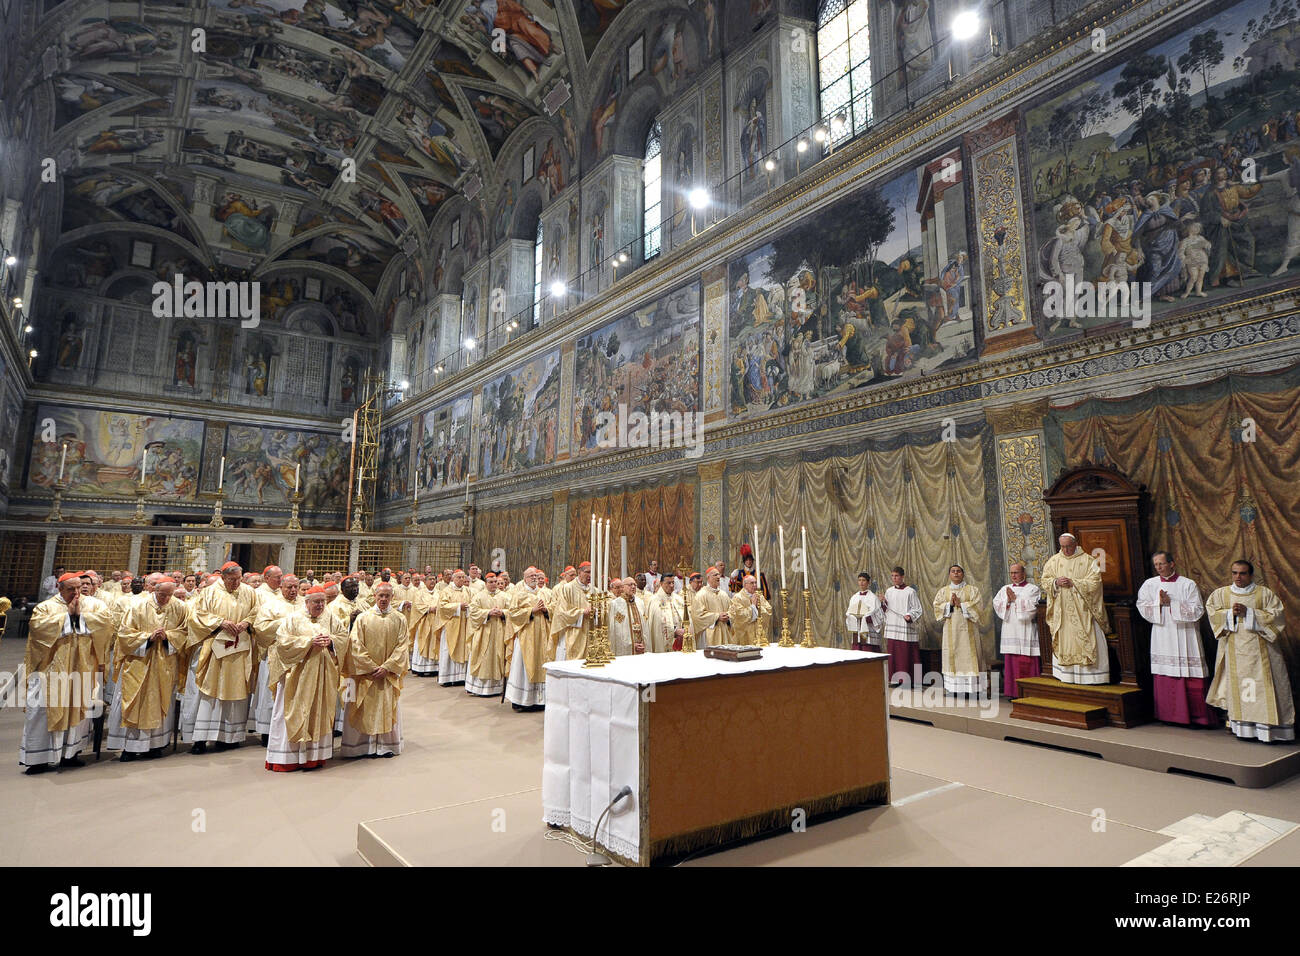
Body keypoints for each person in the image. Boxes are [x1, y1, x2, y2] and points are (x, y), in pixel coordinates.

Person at [21, 573, 114, 773]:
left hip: (81, 669)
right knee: (42, 710)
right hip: (49, 671)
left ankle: (70, 754)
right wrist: (67, 617)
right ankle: (37, 758)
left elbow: (106, 626)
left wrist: (80, 616)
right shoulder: (45, 607)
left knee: (77, 709)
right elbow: (37, 629)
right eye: (71, 589)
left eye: (79, 588)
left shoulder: (94, 605)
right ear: (59, 587)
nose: (76, 592)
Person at [1205, 560, 1295, 742]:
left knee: (1264, 689)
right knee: (1240, 688)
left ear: (1251, 575)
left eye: (1243, 573)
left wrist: (1250, 613)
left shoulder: (1265, 594)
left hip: (1263, 653)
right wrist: (1230, 614)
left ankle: (1267, 731)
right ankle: (1243, 729)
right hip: (1234, 651)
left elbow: (1277, 617)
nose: (1238, 577)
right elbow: (1213, 613)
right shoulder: (1221, 594)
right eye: (1235, 573)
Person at [265, 586, 349, 771]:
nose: (320, 605)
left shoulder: (331, 618)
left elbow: (343, 637)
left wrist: (331, 641)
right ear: (307, 602)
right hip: (297, 679)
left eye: (322, 602)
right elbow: (282, 643)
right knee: (291, 712)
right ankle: (287, 759)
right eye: (316, 602)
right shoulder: (293, 619)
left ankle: (314, 757)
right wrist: (308, 642)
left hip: (322, 677)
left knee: (318, 711)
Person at [108, 579, 187, 761]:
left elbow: (184, 633)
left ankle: (156, 745)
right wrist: (148, 638)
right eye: (162, 595)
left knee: (161, 700)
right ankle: (130, 747)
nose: (166, 599)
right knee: (136, 701)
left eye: (169, 595)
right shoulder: (138, 606)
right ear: (154, 590)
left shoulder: (179, 607)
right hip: (139, 663)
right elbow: (124, 634)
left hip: (164, 663)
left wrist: (168, 636)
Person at [185, 561, 258, 753]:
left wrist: (246, 623)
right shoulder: (209, 592)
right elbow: (196, 616)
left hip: (239, 649)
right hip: (216, 650)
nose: (236, 583)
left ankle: (229, 737)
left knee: (236, 692)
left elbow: (257, 613)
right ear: (223, 577)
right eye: (232, 580)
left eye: (239, 579)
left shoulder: (249, 592)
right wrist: (220, 622)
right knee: (210, 693)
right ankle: (201, 739)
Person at [1137, 552, 1215, 726]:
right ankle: (1168, 715)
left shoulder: (1187, 584)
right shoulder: (1149, 584)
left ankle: (1197, 717)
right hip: (1162, 634)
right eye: (1156, 565)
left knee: (1190, 672)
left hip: (1185, 634)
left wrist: (1170, 603)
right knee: (1165, 671)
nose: (1158, 568)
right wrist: (1158, 604)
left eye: (1162, 564)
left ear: (1172, 564)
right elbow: (1142, 606)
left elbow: (1197, 610)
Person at [340, 582, 409, 757]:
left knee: (387, 707)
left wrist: (387, 667)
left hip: (387, 675)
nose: (384, 599)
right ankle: (362, 747)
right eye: (381, 596)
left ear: (392, 597)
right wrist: (371, 667)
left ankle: (386, 746)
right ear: (375, 597)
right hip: (366, 675)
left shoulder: (399, 619)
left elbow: (403, 646)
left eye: (387, 596)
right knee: (363, 707)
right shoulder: (364, 618)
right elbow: (354, 644)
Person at [1040, 533, 1109, 684]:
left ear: (1075, 544)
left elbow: (1095, 583)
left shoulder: (1088, 560)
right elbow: (1045, 581)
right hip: (1062, 611)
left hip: (1083, 611)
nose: (1065, 550)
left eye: (1068, 546)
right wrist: (1055, 582)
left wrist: (1074, 583)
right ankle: (1066, 675)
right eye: (1062, 547)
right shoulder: (1054, 561)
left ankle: (1091, 677)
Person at [251, 574, 304, 745]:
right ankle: (267, 731)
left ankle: (294, 728)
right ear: (281, 586)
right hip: (276, 655)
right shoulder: (271, 605)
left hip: (301, 656)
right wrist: (288, 622)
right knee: (272, 693)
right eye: (289, 587)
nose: (293, 590)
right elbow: (261, 628)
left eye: (296, 586)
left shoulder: (305, 603)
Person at [933, 565, 987, 696]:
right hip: (951, 632)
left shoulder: (972, 590)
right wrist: (949, 605)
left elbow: (978, 606)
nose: (956, 573)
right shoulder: (943, 591)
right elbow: (936, 607)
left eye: (958, 571)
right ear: (949, 574)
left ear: (963, 574)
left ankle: (972, 690)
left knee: (970, 657)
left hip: (969, 633)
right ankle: (953, 689)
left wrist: (961, 605)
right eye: (953, 571)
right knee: (952, 657)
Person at [992, 563, 1041, 697]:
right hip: (1010, 629)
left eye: (1016, 572)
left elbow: (1033, 608)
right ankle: (1013, 693)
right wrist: (1007, 600)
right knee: (1012, 662)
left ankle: (1031, 693)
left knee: (1027, 660)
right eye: (1011, 573)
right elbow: (997, 604)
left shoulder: (1033, 589)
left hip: (1026, 628)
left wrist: (1016, 600)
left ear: (1023, 574)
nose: (1013, 575)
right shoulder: (1005, 589)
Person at [506, 567, 550, 709]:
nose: (534, 578)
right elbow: (513, 614)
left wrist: (546, 610)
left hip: (543, 636)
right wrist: (531, 611)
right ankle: (522, 701)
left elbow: (554, 609)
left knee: (541, 664)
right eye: (531, 576)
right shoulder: (519, 594)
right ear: (524, 578)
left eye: (536, 575)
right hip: (526, 636)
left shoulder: (544, 593)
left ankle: (540, 701)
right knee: (523, 667)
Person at [466, 572, 509, 696]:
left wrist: (503, 613)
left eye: (495, 582)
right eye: (491, 582)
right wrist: (488, 613)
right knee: (482, 656)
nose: (494, 584)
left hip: (499, 632)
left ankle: (497, 688)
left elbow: (512, 611)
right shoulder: (479, 596)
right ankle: (480, 688)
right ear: (486, 583)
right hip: (483, 633)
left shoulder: (505, 596)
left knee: (498, 656)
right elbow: (473, 612)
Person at [882, 566, 924, 685]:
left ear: (902, 577)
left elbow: (917, 609)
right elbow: (886, 610)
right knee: (894, 654)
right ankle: (895, 679)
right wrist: (883, 603)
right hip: (892, 627)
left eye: (896, 576)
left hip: (905, 627)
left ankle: (909, 680)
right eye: (892, 576)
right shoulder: (889, 591)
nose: (894, 578)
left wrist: (909, 616)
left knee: (906, 655)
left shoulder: (910, 591)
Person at [548, 561, 593, 661]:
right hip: (571, 635)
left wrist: (598, 612)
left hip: (590, 635)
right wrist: (581, 613)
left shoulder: (595, 590)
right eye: (587, 572)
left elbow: (603, 612)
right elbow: (560, 613)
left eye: (592, 572)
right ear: (579, 572)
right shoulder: (567, 588)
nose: (590, 575)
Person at [437, 569, 473, 685]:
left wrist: (469, 607)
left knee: (463, 649)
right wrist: (458, 607)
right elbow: (442, 607)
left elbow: (473, 604)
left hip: (464, 625)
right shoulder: (446, 591)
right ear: (453, 578)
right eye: (459, 577)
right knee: (447, 650)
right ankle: (446, 678)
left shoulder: (468, 591)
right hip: (451, 626)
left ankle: (461, 677)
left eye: (463, 577)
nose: (462, 580)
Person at [645, 572, 685, 653]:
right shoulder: (654, 601)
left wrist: (685, 629)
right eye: (668, 583)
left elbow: (686, 618)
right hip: (663, 643)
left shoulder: (679, 599)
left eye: (673, 583)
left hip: (681, 641)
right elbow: (657, 624)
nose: (671, 585)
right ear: (661, 583)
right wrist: (674, 631)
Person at [692, 567, 732, 647]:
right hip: (709, 634)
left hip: (724, 631)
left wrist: (728, 616)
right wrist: (717, 617)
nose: (718, 577)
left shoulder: (724, 594)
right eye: (715, 575)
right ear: (708, 577)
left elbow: (732, 610)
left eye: (719, 575)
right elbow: (697, 616)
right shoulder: (701, 595)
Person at [729, 574, 772, 644]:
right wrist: (753, 607)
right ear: (745, 585)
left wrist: (759, 607)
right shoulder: (737, 598)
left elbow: (768, 610)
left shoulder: (760, 596)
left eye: (755, 583)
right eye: (752, 583)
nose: (755, 585)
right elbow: (738, 616)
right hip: (744, 635)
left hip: (758, 633)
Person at [845, 571, 883, 651]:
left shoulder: (873, 598)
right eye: (859, 580)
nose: (861, 582)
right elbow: (849, 612)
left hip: (869, 629)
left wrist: (868, 618)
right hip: (857, 629)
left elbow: (879, 615)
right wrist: (851, 616)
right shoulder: (854, 597)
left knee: (868, 650)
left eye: (863, 580)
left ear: (868, 582)